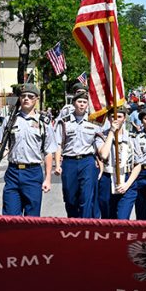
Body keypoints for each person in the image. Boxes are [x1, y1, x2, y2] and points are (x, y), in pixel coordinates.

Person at [0, 83, 56, 217]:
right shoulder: (10, 120)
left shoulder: (43, 122)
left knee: (32, 218)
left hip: (33, 172)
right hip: (13, 172)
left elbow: (48, 152)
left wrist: (48, 178)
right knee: (10, 217)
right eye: (23, 96)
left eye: (30, 96)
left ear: (36, 99)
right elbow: (4, 146)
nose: (26, 99)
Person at [53, 89, 103, 219]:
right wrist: (57, 164)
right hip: (69, 162)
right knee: (70, 197)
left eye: (84, 102)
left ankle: (84, 226)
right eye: (79, 101)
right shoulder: (64, 122)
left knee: (87, 196)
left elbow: (98, 142)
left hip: (87, 161)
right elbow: (58, 144)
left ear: (87, 105)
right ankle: (73, 223)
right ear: (74, 103)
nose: (82, 104)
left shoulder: (94, 122)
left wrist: (101, 158)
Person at [114, 106, 146, 220]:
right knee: (140, 206)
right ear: (141, 121)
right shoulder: (135, 137)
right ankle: (142, 230)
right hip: (139, 174)